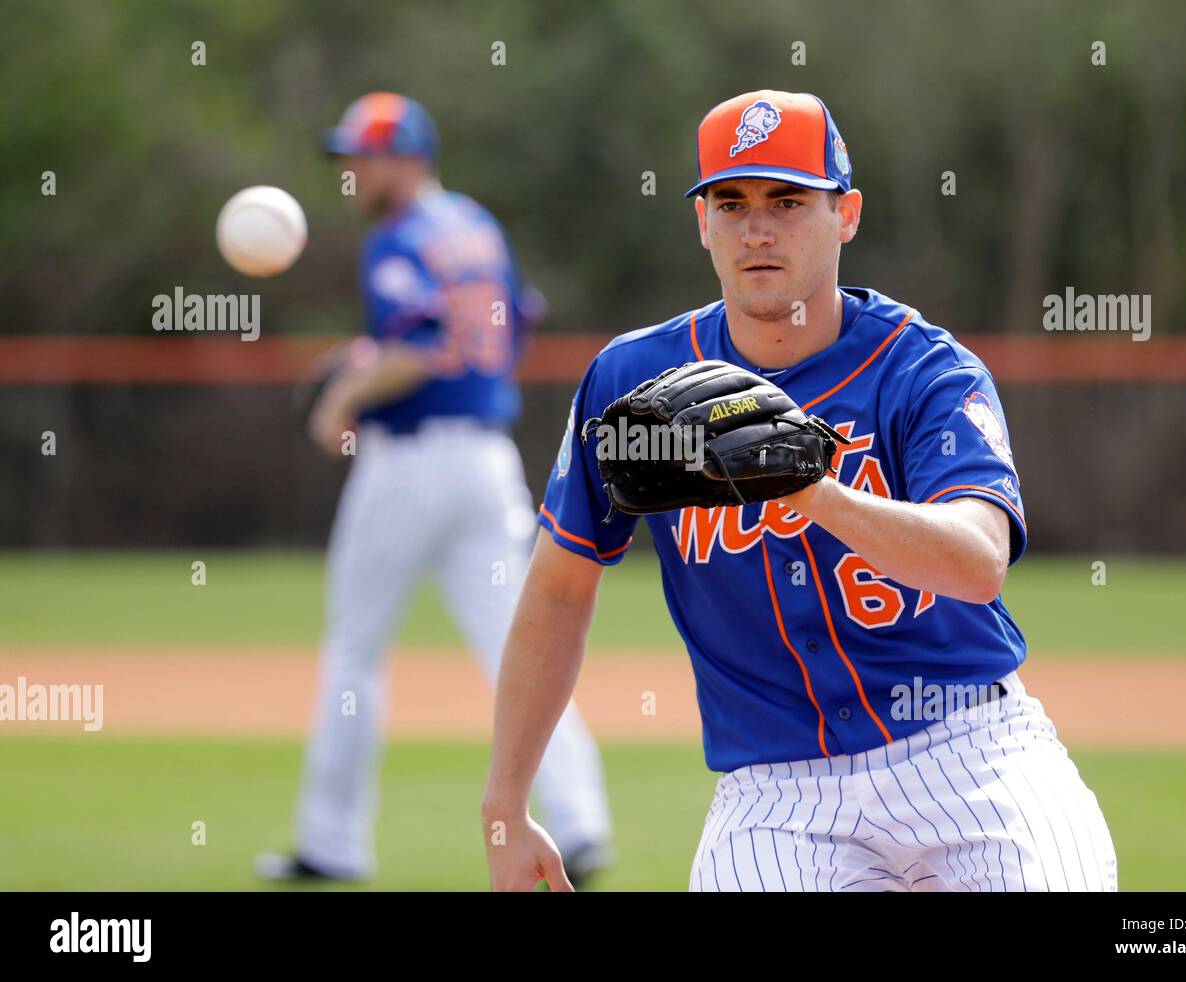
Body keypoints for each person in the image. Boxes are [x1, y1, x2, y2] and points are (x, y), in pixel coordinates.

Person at [481, 89, 1117, 892]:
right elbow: (559, 590)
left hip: (970, 752)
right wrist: (505, 801)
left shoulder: (923, 370)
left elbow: (978, 561)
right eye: (731, 201)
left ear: (846, 214)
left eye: (788, 200)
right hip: (776, 795)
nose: (757, 228)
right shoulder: (634, 384)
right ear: (701, 222)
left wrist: (813, 488)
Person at [257, 92, 613, 885]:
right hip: (487, 461)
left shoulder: (401, 235)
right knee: (523, 646)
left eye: (365, 156)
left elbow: (422, 344)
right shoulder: (476, 227)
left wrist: (343, 399)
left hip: (409, 462)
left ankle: (332, 844)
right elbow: (506, 328)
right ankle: (582, 824)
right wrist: (371, 358)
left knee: (355, 649)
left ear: (408, 159)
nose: (352, 172)